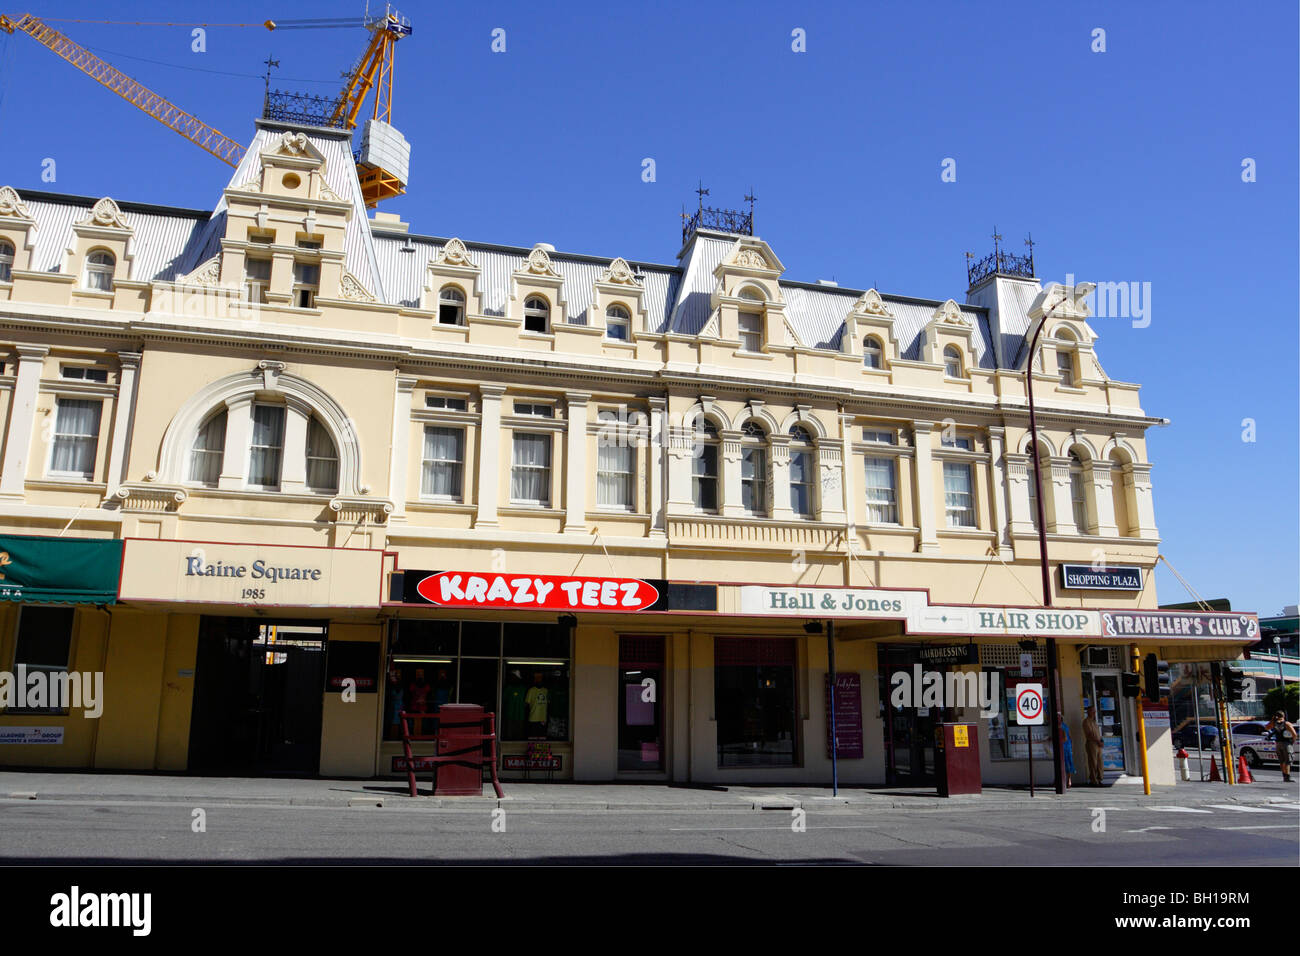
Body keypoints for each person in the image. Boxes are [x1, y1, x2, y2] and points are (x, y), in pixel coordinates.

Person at [1265, 710, 1297, 783]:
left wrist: (1272, 720)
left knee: (1281, 761)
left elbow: (1266, 728)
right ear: (1284, 716)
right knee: (1288, 761)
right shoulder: (1287, 724)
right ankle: (1287, 776)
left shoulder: (1274, 723)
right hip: (1286, 743)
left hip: (1278, 744)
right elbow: (1294, 734)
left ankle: (1284, 776)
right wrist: (1292, 741)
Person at [1082, 705, 1104, 786]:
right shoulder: (1086, 722)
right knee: (1093, 762)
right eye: (1092, 711)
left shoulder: (1094, 722)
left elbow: (1098, 733)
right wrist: (1098, 741)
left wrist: (1101, 741)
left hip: (1098, 744)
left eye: (1095, 711)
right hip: (1092, 743)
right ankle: (1093, 780)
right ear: (1088, 712)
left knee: (1099, 762)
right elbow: (1089, 734)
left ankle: (1099, 779)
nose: (1094, 713)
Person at [1058, 712, 1075, 788]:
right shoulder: (1066, 726)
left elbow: (1064, 737)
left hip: (1063, 747)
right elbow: (1070, 737)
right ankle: (1069, 780)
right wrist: (1071, 748)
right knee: (1069, 763)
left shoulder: (1060, 726)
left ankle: (1062, 780)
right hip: (1068, 746)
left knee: (1062, 763)